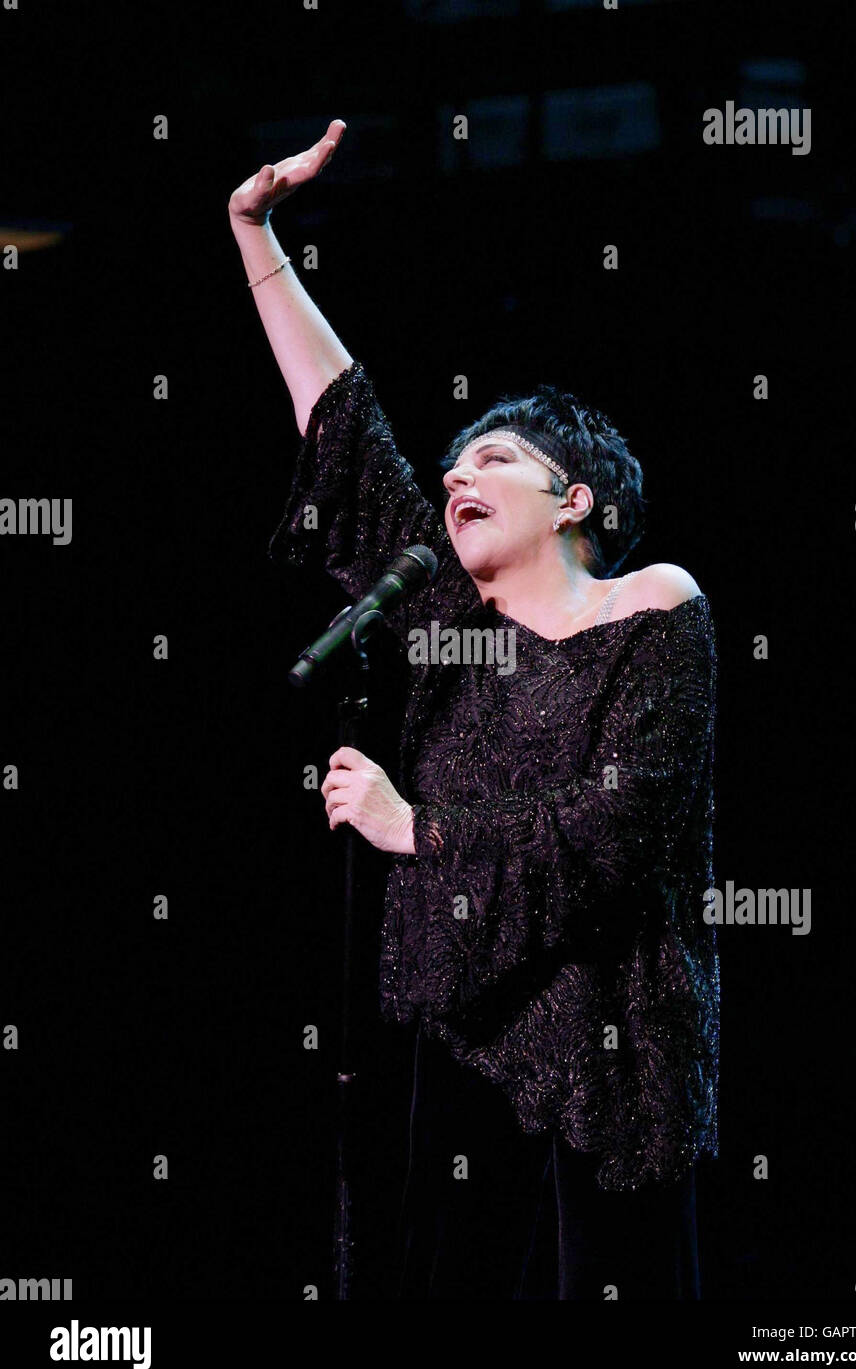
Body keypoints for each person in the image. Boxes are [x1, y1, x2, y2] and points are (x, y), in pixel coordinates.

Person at [229, 119, 719, 1301]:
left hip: (610, 1050)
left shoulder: (652, 605)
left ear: (573, 501)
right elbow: (343, 433)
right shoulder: (447, 619)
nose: (457, 475)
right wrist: (253, 232)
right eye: (452, 464)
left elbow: (614, 827)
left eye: (492, 458)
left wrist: (417, 828)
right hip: (455, 1032)